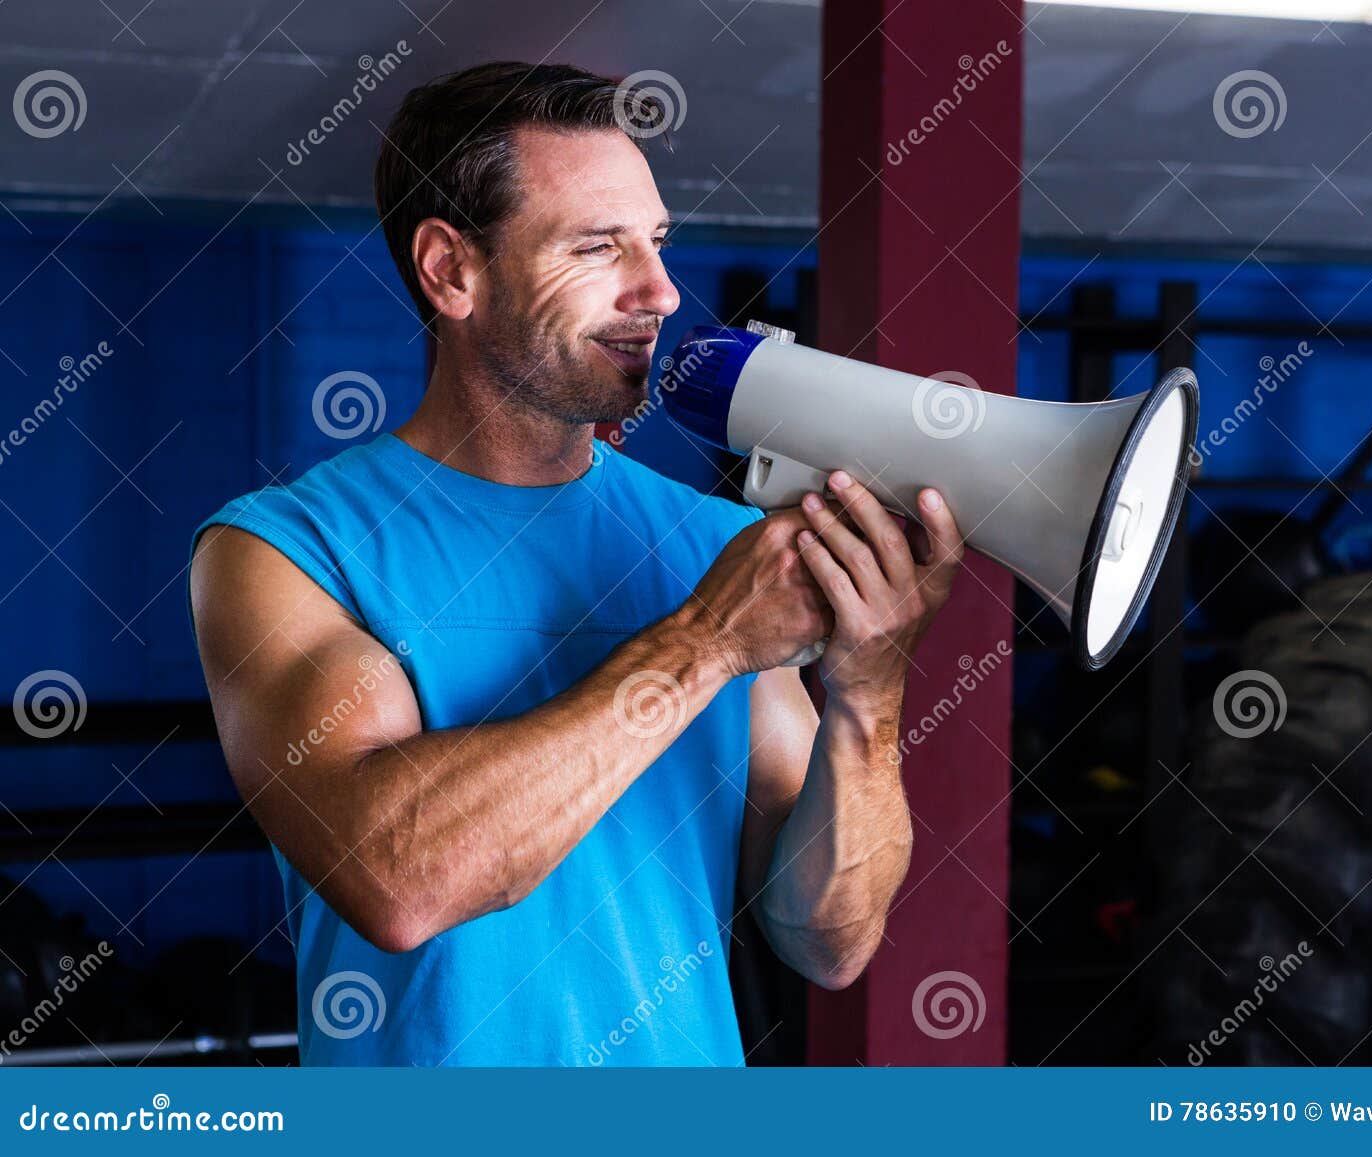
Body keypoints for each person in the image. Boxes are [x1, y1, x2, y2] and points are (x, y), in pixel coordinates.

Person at [188, 61, 964, 1066]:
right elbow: (399, 876)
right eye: (599, 247)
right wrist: (706, 642)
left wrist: (871, 691)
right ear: (450, 270)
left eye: (656, 242)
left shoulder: (711, 543)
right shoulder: (283, 550)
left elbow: (826, 940)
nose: (659, 291)